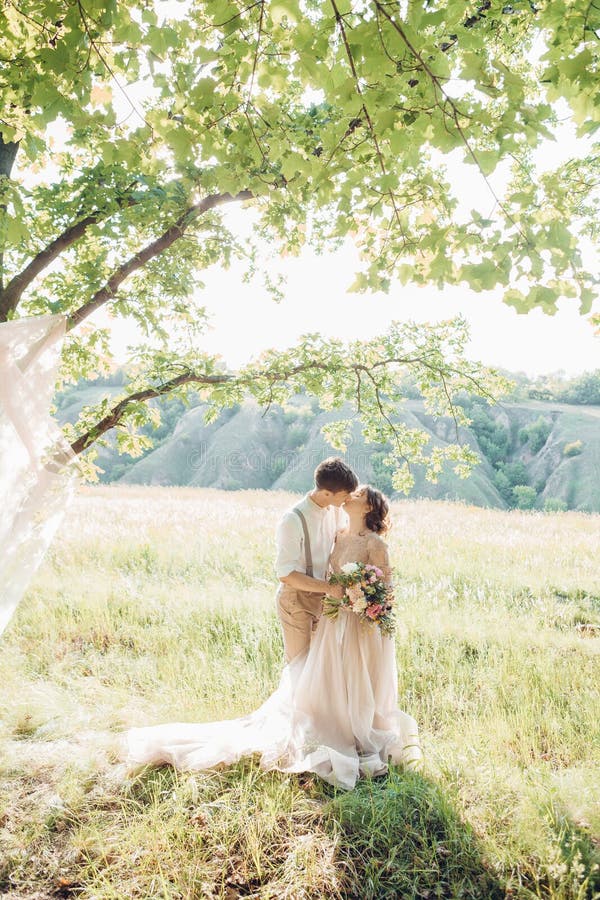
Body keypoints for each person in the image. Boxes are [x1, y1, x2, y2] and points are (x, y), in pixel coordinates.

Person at [125, 481, 422, 790]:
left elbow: (387, 588)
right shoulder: (340, 535)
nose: (350, 497)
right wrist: (341, 597)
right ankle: (331, 725)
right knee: (329, 676)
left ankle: (356, 727)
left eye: (357, 495)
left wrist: (366, 602)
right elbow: (329, 575)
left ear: (369, 507)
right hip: (334, 619)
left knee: (356, 675)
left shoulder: (375, 543)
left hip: (358, 623)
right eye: (350, 493)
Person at [275, 456, 358, 662]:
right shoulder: (293, 519)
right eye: (345, 494)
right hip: (296, 599)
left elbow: (344, 542)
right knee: (298, 665)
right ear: (327, 493)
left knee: (318, 667)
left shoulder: (335, 511)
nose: (348, 499)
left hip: (323, 599)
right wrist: (329, 588)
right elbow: (285, 574)